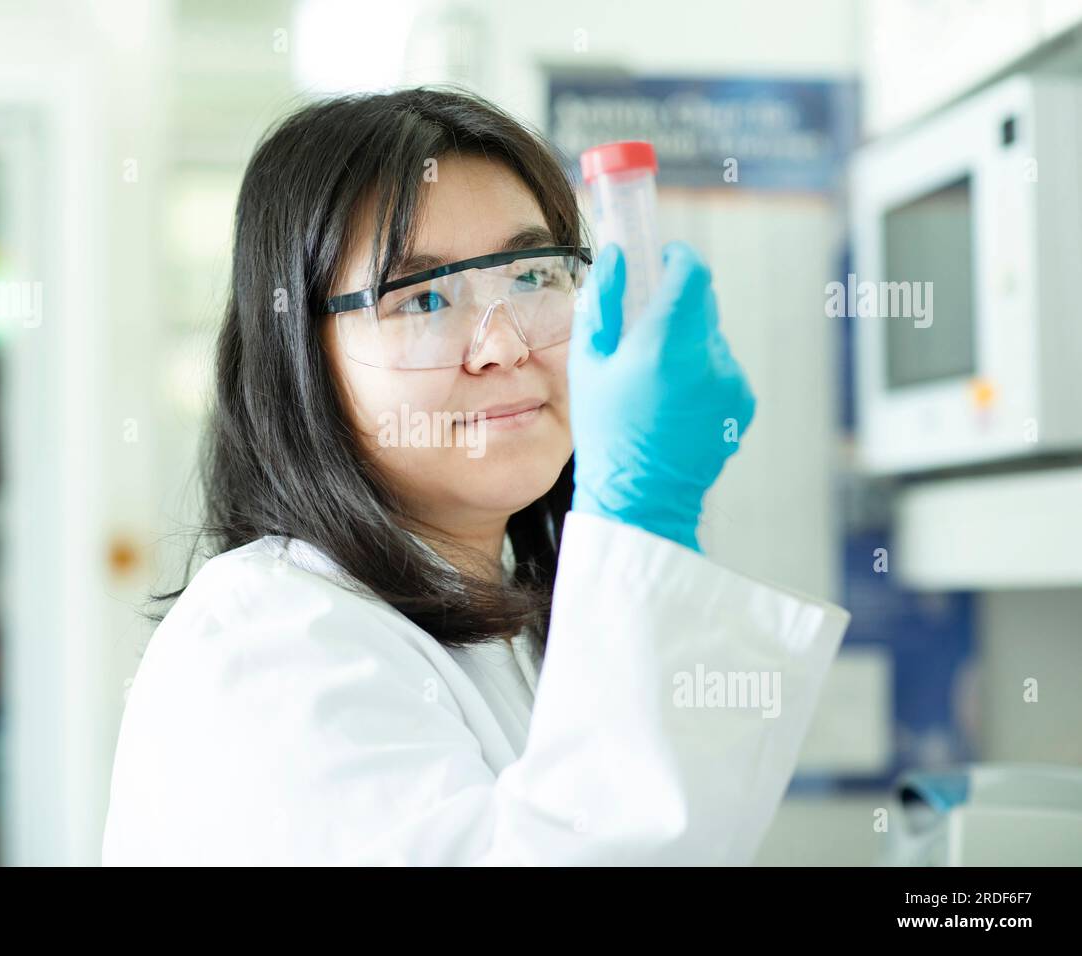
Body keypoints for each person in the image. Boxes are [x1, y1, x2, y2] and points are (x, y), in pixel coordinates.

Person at [101, 87, 849, 865]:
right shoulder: (269, 637)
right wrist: (644, 510)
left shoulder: (515, 623)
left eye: (531, 277)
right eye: (422, 297)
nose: (505, 348)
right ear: (300, 361)